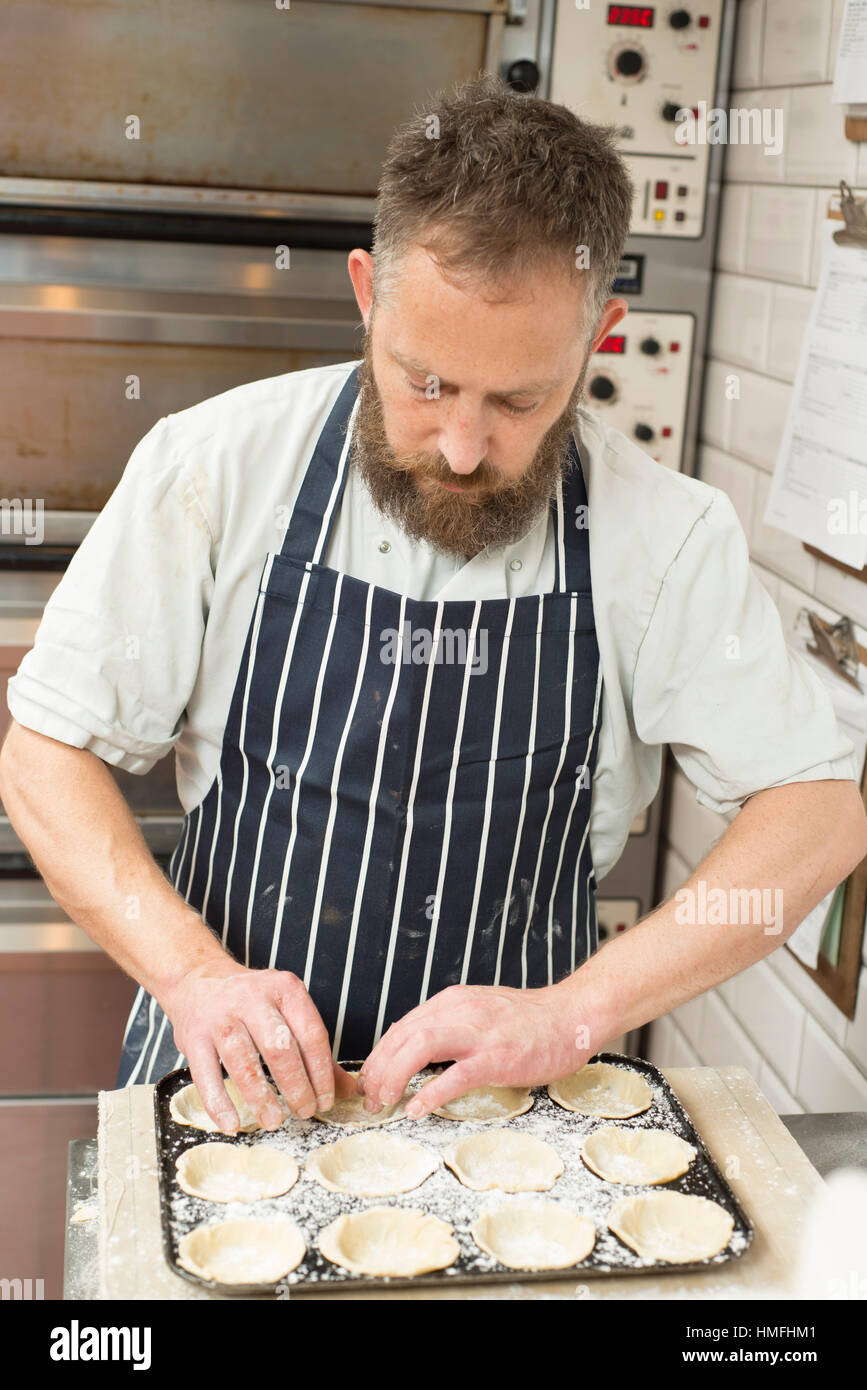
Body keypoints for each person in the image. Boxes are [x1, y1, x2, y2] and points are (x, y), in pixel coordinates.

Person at [2, 75, 864, 1134]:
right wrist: (190, 976)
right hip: (229, 1088)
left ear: (602, 338)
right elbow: (44, 752)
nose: (463, 447)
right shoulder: (216, 469)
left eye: (519, 400)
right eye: (424, 382)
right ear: (368, 293)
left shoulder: (667, 537)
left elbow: (818, 814)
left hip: (511, 1121)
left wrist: (573, 1011)